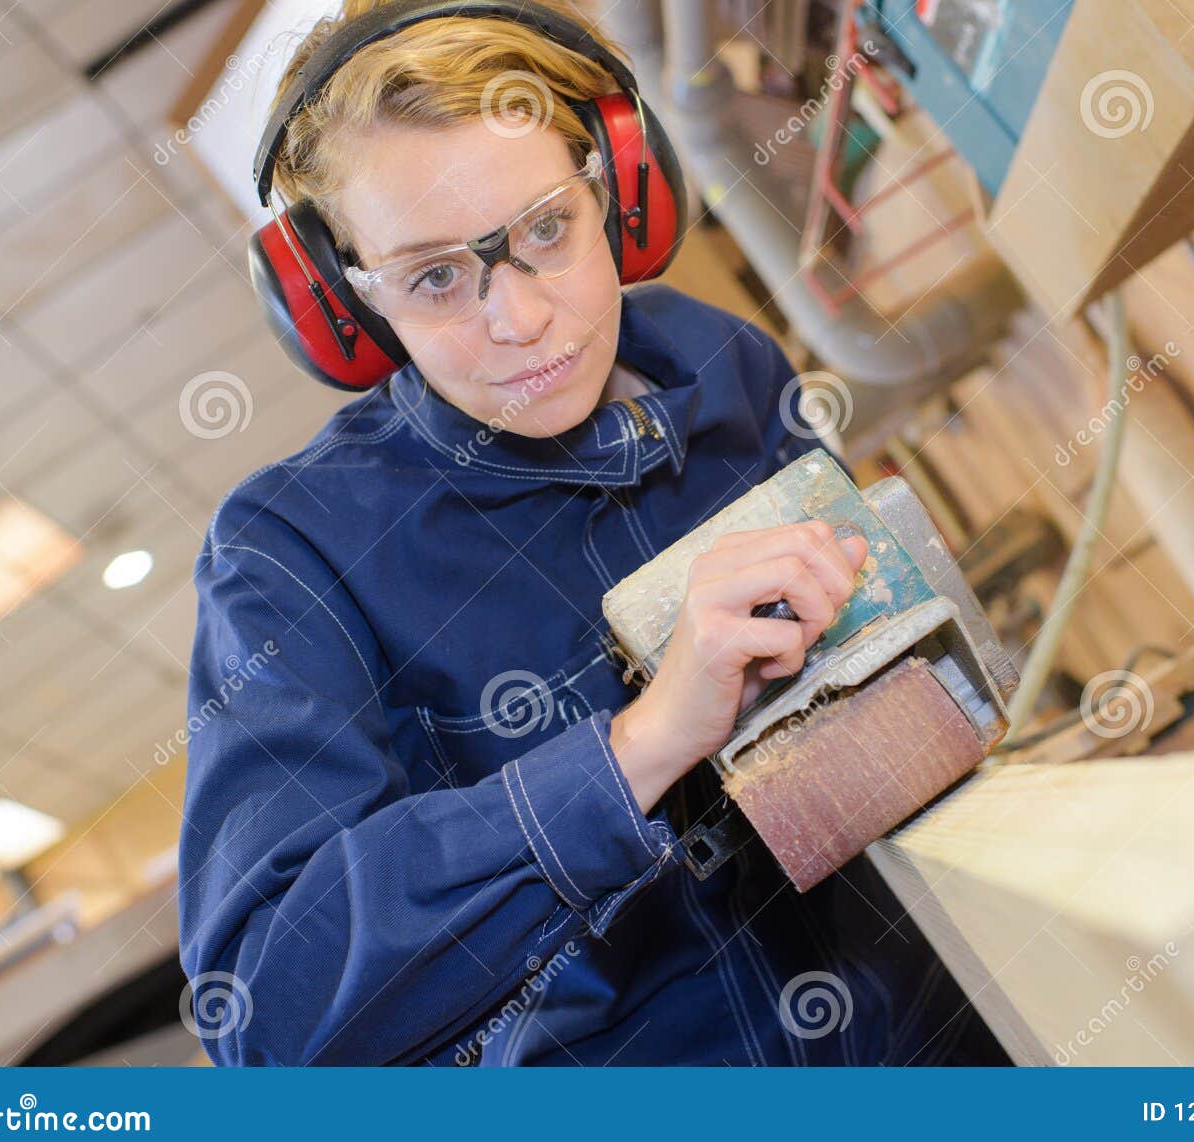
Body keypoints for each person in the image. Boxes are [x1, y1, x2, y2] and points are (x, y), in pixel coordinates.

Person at [177, 0, 1007, 1067]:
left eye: (545, 230)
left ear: (620, 186)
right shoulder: (294, 550)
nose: (517, 318)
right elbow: (268, 1013)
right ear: (344, 299)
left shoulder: (725, 369)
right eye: (435, 276)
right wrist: (639, 746)